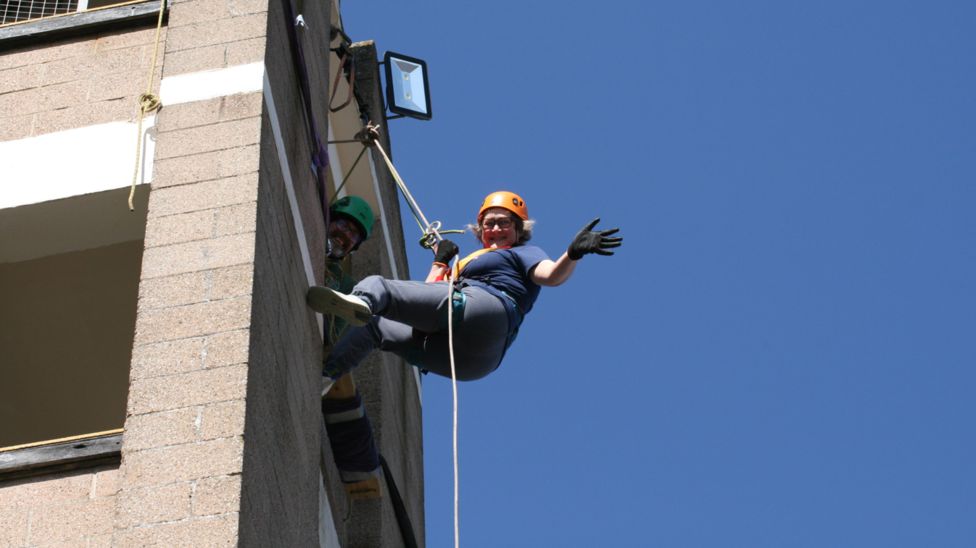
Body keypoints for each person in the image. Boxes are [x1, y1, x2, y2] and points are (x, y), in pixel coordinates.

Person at [307, 190, 623, 382]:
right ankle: (324, 377)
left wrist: (573, 253)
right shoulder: (463, 264)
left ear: (517, 230)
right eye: (490, 224)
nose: (496, 228)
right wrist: (441, 264)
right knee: (375, 327)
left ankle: (363, 301)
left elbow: (552, 276)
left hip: (486, 311)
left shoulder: (522, 253)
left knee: (378, 286)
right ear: (480, 230)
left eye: (504, 223)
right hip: (469, 360)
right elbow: (423, 299)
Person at [319, 195, 383, 494]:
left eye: (352, 236)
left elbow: (340, 333)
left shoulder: (346, 285)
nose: (345, 236)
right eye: (342, 226)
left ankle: (327, 374)